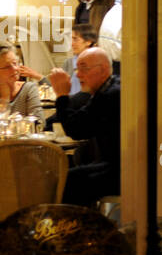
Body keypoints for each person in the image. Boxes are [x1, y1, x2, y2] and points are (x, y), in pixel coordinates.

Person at [47, 47, 120, 207]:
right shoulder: (108, 89)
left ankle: (78, 229)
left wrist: (61, 95)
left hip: (128, 171)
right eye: (77, 69)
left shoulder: (111, 95)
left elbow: (76, 130)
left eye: (84, 68)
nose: (78, 75)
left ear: (103, 70)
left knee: (66, 183)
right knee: (70, 177)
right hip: (118, 165)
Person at [0, 42, 42, 120]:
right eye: (7, 67)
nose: (15, 69)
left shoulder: (29, 89)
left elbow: (39, 122)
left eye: (15, 63)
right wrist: (5, 98)